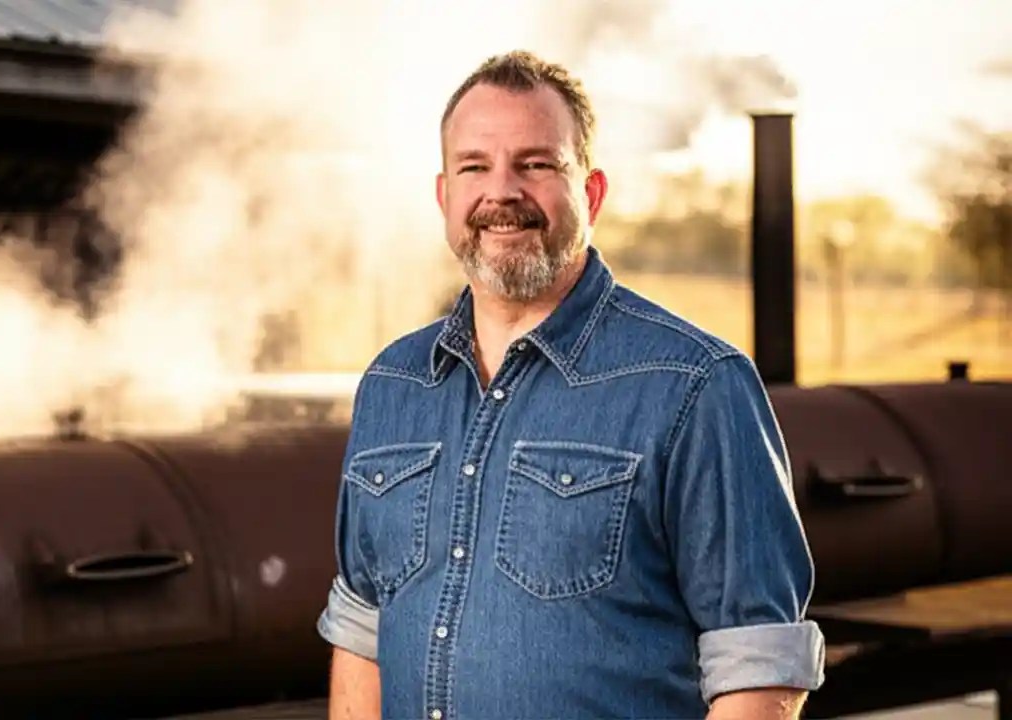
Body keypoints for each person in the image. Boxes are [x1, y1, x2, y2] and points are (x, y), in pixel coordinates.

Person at [316, 50, 824, 719]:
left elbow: (759, 668)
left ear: (591, 193)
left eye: (536, 163)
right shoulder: (392, 386)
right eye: (475, 166)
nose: (502, 192)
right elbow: (361, 630)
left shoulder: (695, 386)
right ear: (445, 196)